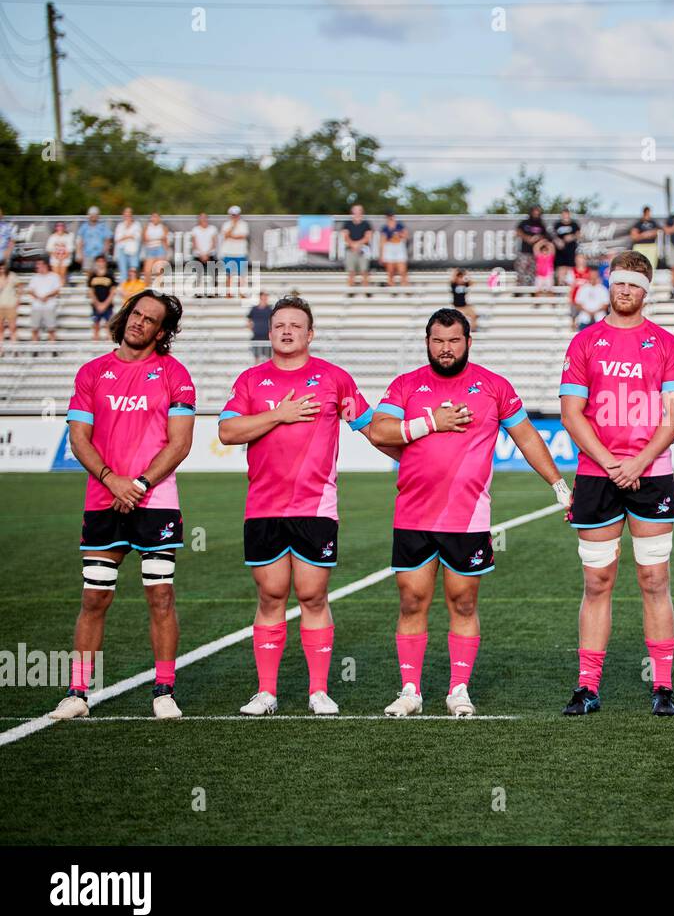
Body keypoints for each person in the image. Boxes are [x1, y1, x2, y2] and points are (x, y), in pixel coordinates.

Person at [369, 308, 568, 717]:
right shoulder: (406, 385)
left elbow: (527, 437)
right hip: (413, 515)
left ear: (468, 342)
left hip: (468, 517)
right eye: (438, 341)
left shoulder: (493, 386)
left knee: (463, 603)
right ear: (427, 342)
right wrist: (431, 423)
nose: (446, 349)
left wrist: (559, 486)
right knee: (411, 601)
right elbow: (379, 430)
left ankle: (458, 690)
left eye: (454, 341)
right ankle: (411, 691)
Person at [219, 295, 394, 717]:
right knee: (271, 594)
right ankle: (266, 692)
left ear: (309, 334)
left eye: (296, 325)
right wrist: (280, 415)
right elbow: (227, 431)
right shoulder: (250, 380)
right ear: (269, 330)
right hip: (263, 507)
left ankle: (318, 691)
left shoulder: (334, 378)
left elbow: (371, 427)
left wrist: (419, 454)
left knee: (313, 595)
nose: (286, 330)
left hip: (315, 508)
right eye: (280, 324)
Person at [48, 290, 196, 721]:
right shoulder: (92, 372)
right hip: (103, 498)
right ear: (125, 316)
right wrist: (113, 480)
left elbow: (180, 442)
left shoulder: (174, 373)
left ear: (161, 331)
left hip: (156, 500)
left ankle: (164, 691)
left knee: (161, 597)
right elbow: (79, 439)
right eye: (136, 314)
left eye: (150, 319)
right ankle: (77, 693)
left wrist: (141, 482)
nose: (139, 322)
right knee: (94, 598)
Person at [558, 250, 674, 717]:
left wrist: (638, 462)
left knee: (654, 579)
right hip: (597, 475)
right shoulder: (585, 342)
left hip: (650, 474)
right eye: (618, 284)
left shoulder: (666, 344)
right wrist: (613, 462)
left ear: (646, 290)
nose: (625, 291)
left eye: (633, 284)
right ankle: (588, 686)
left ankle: (663, 686)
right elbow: (571, 414)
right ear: (609, 286)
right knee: (597, 582)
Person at [25, 257, 62, 347]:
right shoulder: (34, 277)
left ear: (45, 265)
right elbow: (30, 291)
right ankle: (35, 350)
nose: (37, 267)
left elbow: (57, 290)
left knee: (51, 328)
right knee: (34, 328)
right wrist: (39, 297)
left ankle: (53, 349)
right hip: (36, 306)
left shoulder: (54, 276)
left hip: (49, 306)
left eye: (39, 264)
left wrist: (47, 296)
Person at [514, 206, 546, 295]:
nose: (536, 213)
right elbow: (518, 231)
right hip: (524, 252)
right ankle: (519, 290)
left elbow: (545, 236)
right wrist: (527, 238)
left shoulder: (541, 224)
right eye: (535, 211)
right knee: (521, 270)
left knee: (532, 272)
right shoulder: (525, 222)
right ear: (531, 212)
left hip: (536, 253)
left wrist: (538, 237)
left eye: (538, 211)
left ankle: (532, 291)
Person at [220, 206, 250, 299]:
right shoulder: (226, 224)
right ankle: (228, 293)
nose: (235, 217)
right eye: (233, 215)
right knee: (229, 274)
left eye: (236, 215)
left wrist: (231, 236)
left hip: (240, 253)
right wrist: (233, 227)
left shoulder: (244, 224)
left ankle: (241, 292)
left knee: (242, 275)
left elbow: (243, 236)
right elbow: (226, 235)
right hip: (229, 252)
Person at [86, 255, 118, 343]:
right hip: (96, 305)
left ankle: (110, 344)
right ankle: (95, 344)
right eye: (98, 261)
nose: (100, 263)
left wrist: (105, 304)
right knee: (96, 325)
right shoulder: (92, 275)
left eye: (102, 261)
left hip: (108, 305)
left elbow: (113, 291)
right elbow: (91, 292)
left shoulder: (110, 275)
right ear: (96, 263)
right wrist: (97, 304)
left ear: (105, 263)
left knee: (109, 325)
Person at [342, 204, 373, 291]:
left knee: (364, 271)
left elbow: (368, 237)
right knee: (351, 271)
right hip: (350, 250)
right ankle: (350, 291)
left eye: (359, 210)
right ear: (352, 211)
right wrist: (353, 245)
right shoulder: (347, 223)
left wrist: (358, 244)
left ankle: (366, 290)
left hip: (363, 250)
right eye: (355, 210)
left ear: (362, 212)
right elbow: (345, 236)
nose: (357, 212)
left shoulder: (366, 224)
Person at [75, 207, 113, 274]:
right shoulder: (84, 227)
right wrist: (79, 254)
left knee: (100, 273)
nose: (93, 216)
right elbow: (79, 241)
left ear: (98, 216)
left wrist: (104, 253)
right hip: (87, 254)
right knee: (89, 274)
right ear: (89, 215)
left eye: (95, 214)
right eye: (92, 214)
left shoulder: (103, 226)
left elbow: (108, 240)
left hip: (99, 254)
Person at [189, 212, 219, 297]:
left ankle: (212, 292)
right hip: (198, 255)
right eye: (201, 218)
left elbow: (214, 243)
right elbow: (194, 244)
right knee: (197, 274)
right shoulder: (195, 229)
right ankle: (198, 292)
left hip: (210, 254)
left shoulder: (213, 229)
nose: (203, 219)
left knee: (213, 273)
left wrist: (207, 254)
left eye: (205, 217)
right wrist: (202, 254)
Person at [551, 208, 580, 288]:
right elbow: (553, 235)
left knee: (570, 268)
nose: (565, 216)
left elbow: (579, 234)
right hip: (560, 252)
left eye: (567, 214)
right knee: (561, 268)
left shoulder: (574, 224)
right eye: (564, 214)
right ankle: (561, 285)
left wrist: (572, 237)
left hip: (571, 250)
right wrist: (558, 241)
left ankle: (570, 286)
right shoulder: (557, 224)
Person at [379, 212, 409, 289]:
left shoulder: (400, 225)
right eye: (388, 216)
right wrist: (381, 255)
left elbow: (406, 236)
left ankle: (405, 288)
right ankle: (392, 288)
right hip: (389, 247)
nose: (390, 218)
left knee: (402, 271)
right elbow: (382, 241)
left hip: (398, 246)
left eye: (391, 216)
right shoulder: (385, 228)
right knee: (390, 271)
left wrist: (399, 235)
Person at [113, 208, 142, 281]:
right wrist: (129, 236)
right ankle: (124, 290)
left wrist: (124, 236)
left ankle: (134, 290)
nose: (128, 215)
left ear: (131, 214)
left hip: (133, 251)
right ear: (123, 214)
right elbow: (117, 239)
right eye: (126, 213)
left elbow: (137, 236)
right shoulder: (120, 225)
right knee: (124, 273)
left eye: (129, 213)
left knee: (133, 271)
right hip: (122, 250)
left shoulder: (137, 224)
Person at [629, 206, 660, 273]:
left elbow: (658, 231)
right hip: (640, 246)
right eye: (647, 213)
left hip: (651, 246)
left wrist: (652, 233)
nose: (648, 215)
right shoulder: (638, 223)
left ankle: (650, 281)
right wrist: (644, 235)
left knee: (651, 265)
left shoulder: (653, 223)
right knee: (639, 265)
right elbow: (634, 236)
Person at [141, 212, 171, 282]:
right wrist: (158, 238)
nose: (155, 218)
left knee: (159, 270)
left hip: (160, 248)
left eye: (156, 217)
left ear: (159, 219)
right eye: (153, 217)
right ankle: (147, 287)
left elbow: (165, 240)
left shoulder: (163, 227)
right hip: (150, 248)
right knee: (147, 270)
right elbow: (145, 239)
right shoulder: (147, 227)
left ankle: (159, 288)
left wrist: (167, 253)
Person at [247, 290, 273, 362]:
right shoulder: (254, 309)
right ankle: (257, 373)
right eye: (263, 296)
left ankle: (267, 373)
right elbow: (249, 320)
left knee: (268, 357)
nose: (265, 298)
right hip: (257, 336)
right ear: (260, 297)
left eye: (266, 297)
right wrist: (252, 328)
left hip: (267, 336)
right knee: (257, 357)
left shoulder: (270, 309)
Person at [0, 265, 18, 352]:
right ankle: (1, 350)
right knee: (0, 329)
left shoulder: (12, 275)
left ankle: (15, 350)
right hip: (0, 306)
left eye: (3, 268)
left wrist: (18, 299)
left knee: (13, 328)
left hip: (10, 305)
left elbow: (20, 286)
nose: (2, 270)